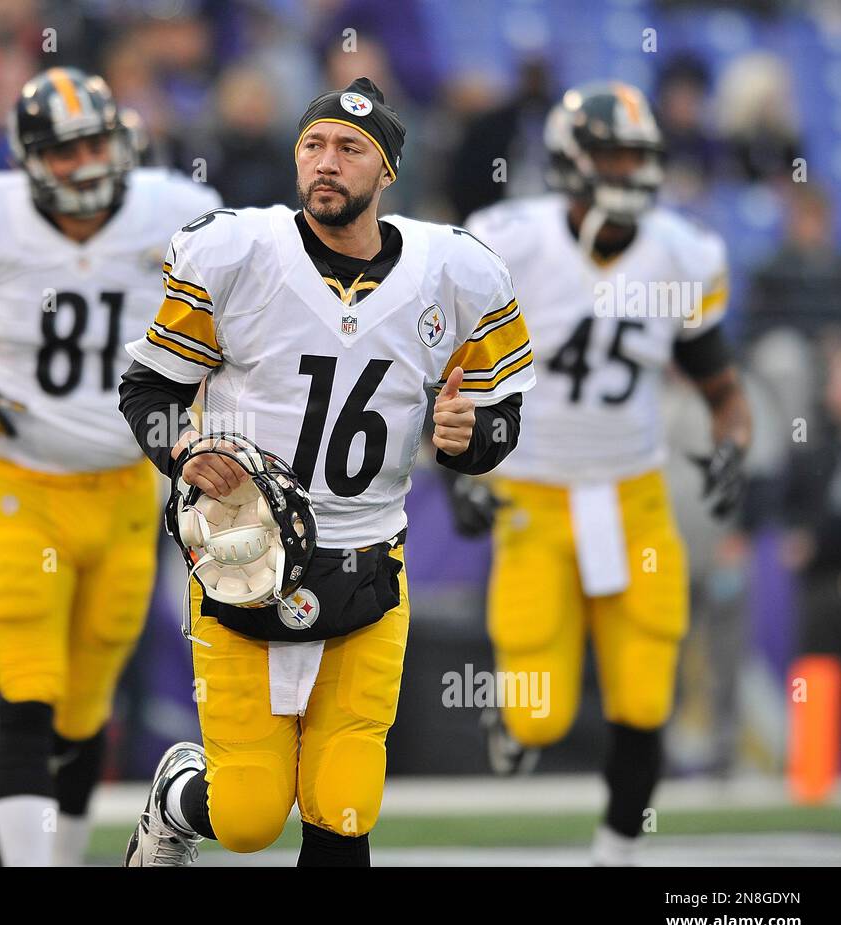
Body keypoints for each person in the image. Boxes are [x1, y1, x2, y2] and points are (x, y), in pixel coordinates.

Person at [118, 77, 535, 866]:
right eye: (313, 145)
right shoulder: (241, 254)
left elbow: (498, 418)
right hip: (244, 560)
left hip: (369, 565)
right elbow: (149, 388)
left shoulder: (453, 273)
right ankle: (178, 800)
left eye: (350, 148)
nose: (327, 162)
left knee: (343, 808)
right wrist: (183, 450)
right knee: (246, 820)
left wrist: (473, 435)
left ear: (387, 173)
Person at [0, 67, 221, 866]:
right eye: (64, 151)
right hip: (21, 481)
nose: (84, 163)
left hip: (125, 487)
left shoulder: (175, 217)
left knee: (85, 712)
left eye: (95, 144)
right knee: (29, 696)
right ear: (28, 161)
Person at [453, 81, 752, 864]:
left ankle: (615, 856)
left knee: (644, 696)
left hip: (634, 500)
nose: (629, 170)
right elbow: (445, 370)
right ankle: (511, 722)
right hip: (532, 498)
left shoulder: (683, 253)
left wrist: (734, 441)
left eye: (639, 156)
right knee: (541, 714)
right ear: (569, 161)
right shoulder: (509, 242)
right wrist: (461, 465)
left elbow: (722, 386)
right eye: (614, 153)